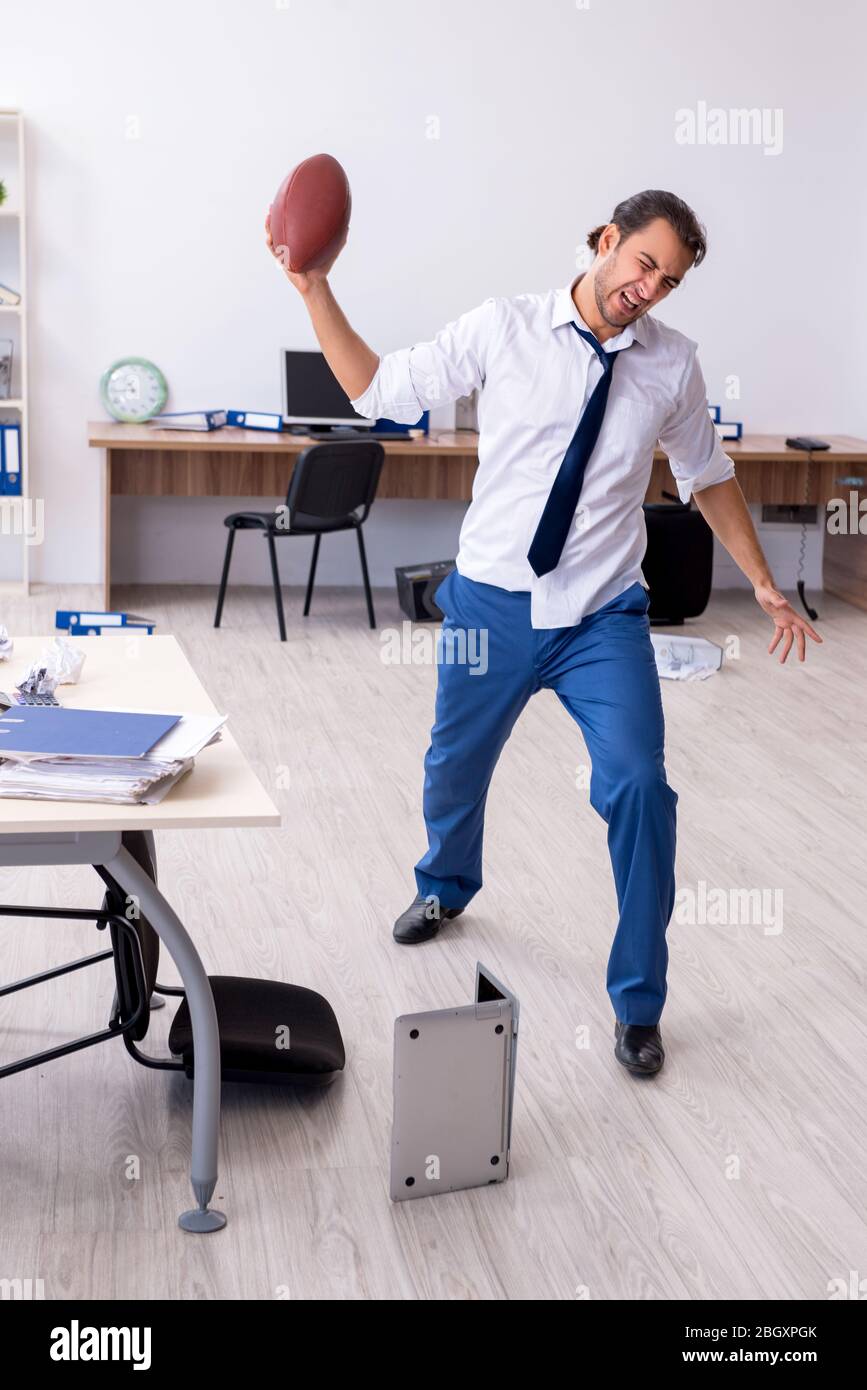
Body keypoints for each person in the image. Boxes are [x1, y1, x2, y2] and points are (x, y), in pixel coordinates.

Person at [266, 188, 821, 1077]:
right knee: (453, 765)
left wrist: (760, 580)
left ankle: (638, 1007)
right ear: (605, 240)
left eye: (669, 281)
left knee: (640, 787)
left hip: (603, 616)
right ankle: (444, 886)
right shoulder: (504, 328)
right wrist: (314, 290)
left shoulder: (671, 365)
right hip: (491, 603)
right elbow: (380, 392)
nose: (650, 288)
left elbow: (705, 474)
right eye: (643, 263)